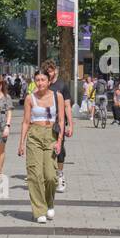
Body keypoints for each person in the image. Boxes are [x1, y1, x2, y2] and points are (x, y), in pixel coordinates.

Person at [18, 70, 64, 223]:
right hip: (34, 136)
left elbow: (62, 121)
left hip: (51, 136)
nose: (40, 83)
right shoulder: (30, 98)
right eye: (37, 80)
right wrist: (21, 143)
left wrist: (59, 141)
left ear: (49, 81)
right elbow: (25, 122)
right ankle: (39, 210)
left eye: (43, 79)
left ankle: (49, 203)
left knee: (50, 176)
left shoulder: (57, 97)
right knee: (35, 175)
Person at [42, 60, 73, 191]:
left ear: (55, 71)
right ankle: (47, 176)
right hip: (43, 122)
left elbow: (67, 106)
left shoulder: (62, 85)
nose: (50, 72)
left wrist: (70, 124)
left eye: (51, 70)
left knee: (59, 149)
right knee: (44, 149)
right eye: (47, 70)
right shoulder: (42, 85)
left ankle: (60, 175)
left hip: (58, 122)